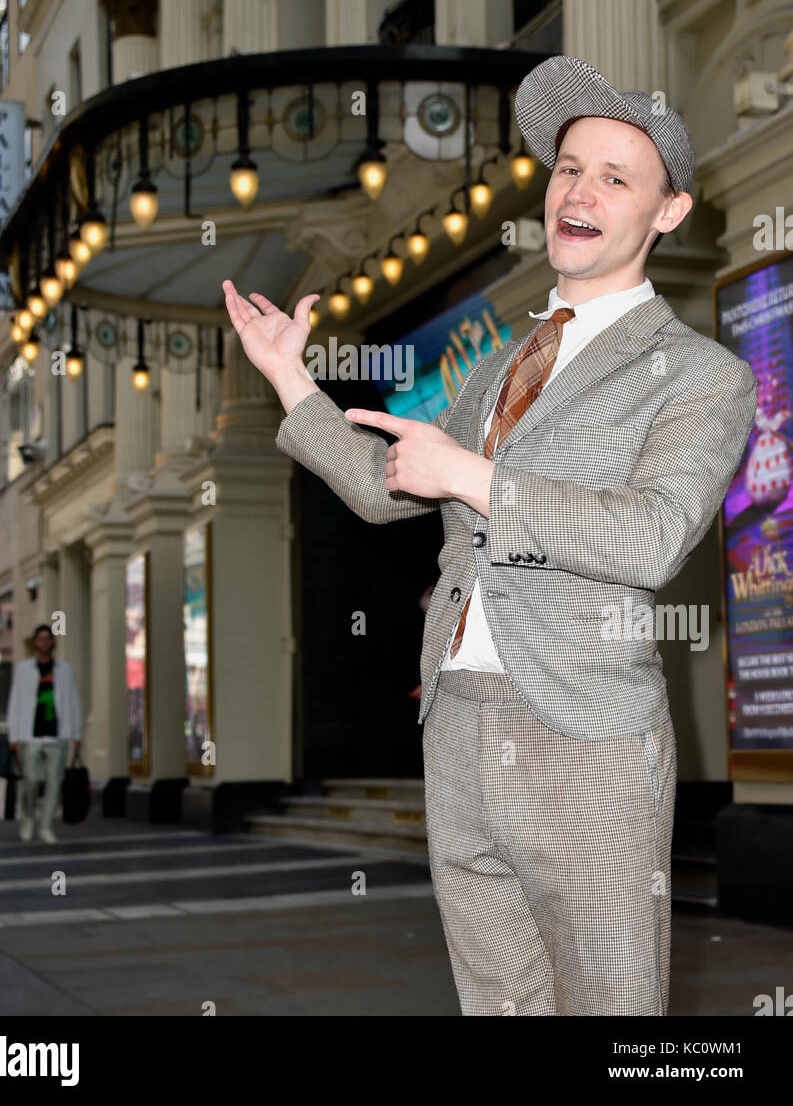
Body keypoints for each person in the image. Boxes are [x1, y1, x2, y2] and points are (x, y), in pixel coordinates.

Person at [222, 55, 758, 1017]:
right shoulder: (504, 362)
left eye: (613, 177)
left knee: (612, 1008)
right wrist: (294, 384)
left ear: (665, 212)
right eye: (566, 169)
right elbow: (392, 489)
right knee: (498, 1003)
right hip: (459, 720)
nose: (578, 192)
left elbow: (650, 537)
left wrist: (468, 473)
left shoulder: (698, 376)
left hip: (585, 737)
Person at [6, 624, 82, 843]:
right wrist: (13, 736)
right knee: (30, 781)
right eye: (40, 639)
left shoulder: (65, 670)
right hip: (31, 735)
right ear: (35, 643)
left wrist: (76, 734)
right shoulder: (24, 669)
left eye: (47, 638)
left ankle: (46, 826)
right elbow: (16, 701)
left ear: (53, 642)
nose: (44, 642)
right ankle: (28, 818)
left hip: (57, 735)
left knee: (54, 783)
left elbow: (73, 700)